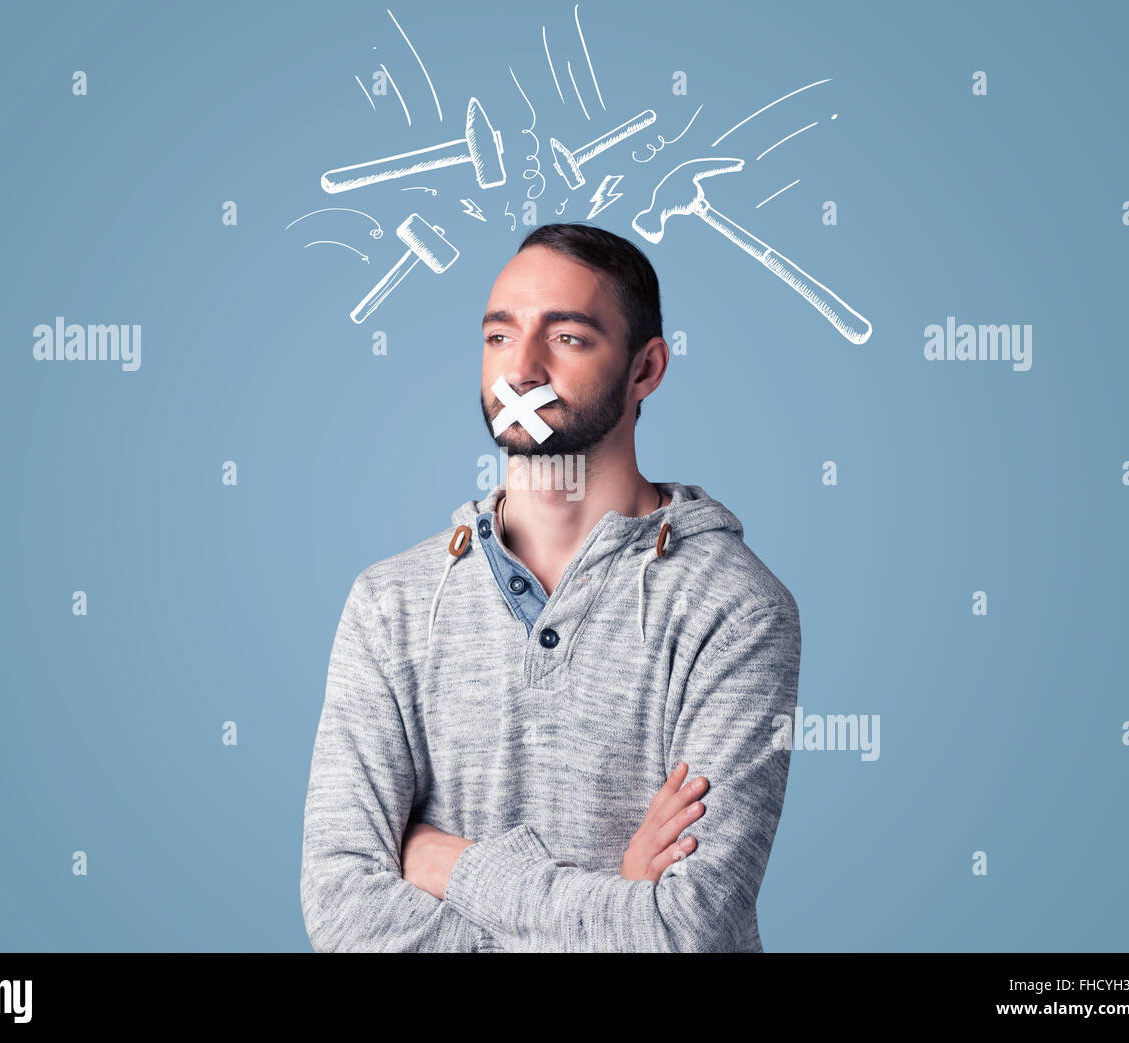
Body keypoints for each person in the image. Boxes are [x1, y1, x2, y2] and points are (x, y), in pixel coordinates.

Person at [300, 222, 801, 952]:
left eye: (566, 337)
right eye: (499, 336)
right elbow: (344, 914)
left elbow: (683, 930)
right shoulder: (390, 603)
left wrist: (447, 863)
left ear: (645, 369)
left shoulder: (735, 608)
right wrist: (612, 907)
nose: (522, 369)